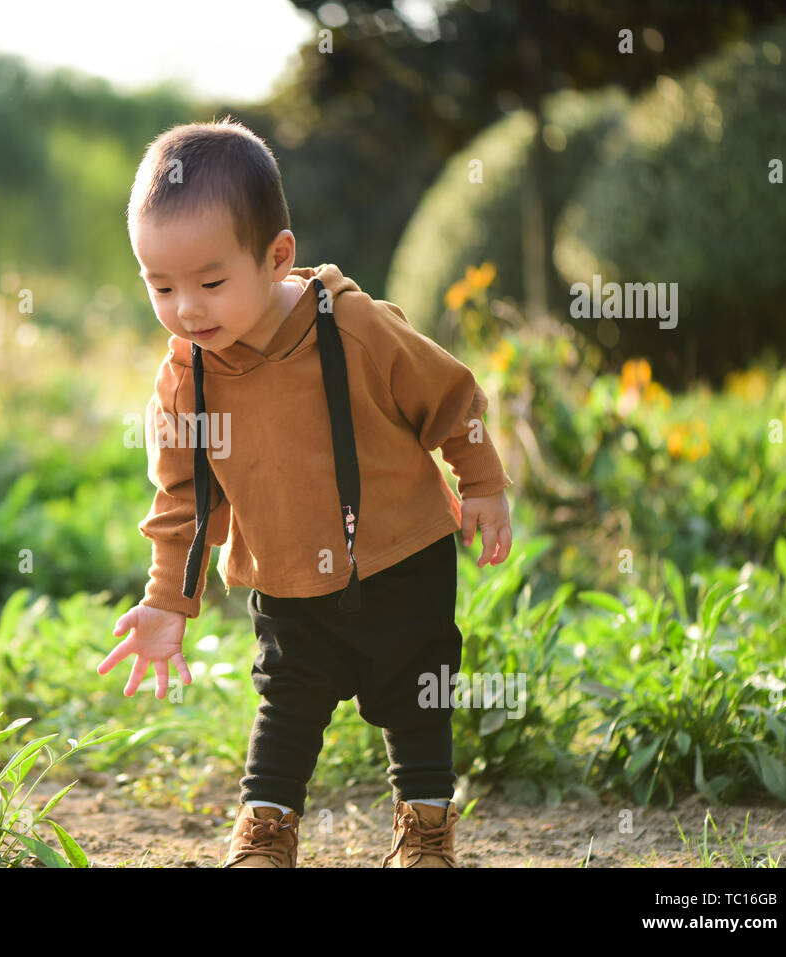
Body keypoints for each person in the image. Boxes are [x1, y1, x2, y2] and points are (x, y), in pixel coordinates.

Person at [98, 117, 514, 868]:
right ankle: (265, 831)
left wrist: (481, 482)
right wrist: (167, 600)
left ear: (277, 255)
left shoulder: (353, 327)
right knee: (286, 700)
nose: (187, 308)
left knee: (419, 697)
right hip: (285, 572)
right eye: (161, 286)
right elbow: (185, 500)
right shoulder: (186, 379)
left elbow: (450, 397)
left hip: (402, 553)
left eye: (211, 282)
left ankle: (425, 831)